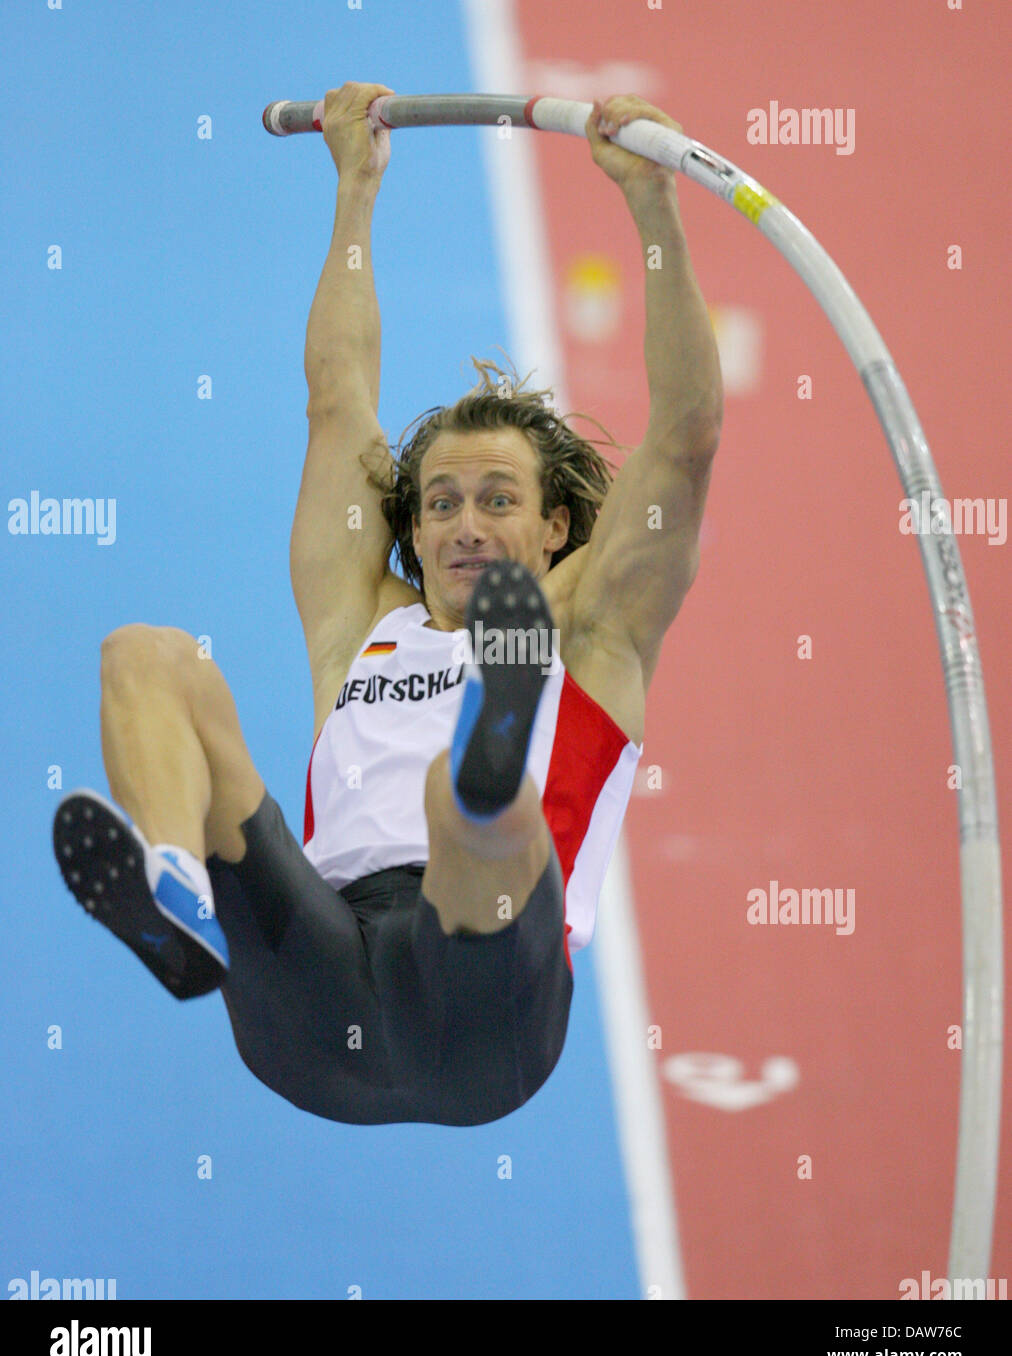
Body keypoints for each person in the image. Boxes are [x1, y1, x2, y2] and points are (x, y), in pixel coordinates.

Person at [53, 83, 722, 1126]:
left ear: (554, 529)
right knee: (144, 655)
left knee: (461, 807)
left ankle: (491, 749)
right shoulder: (362, 624)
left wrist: (653, 211)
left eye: (498, 500)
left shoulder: (597, 628)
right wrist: (355, 187)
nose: (461, 522)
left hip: (483, 1011)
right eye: (442, 501)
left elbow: (683, 438)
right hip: (312, 999)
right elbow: (337, 402)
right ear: (410, 529)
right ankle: (180, 899)